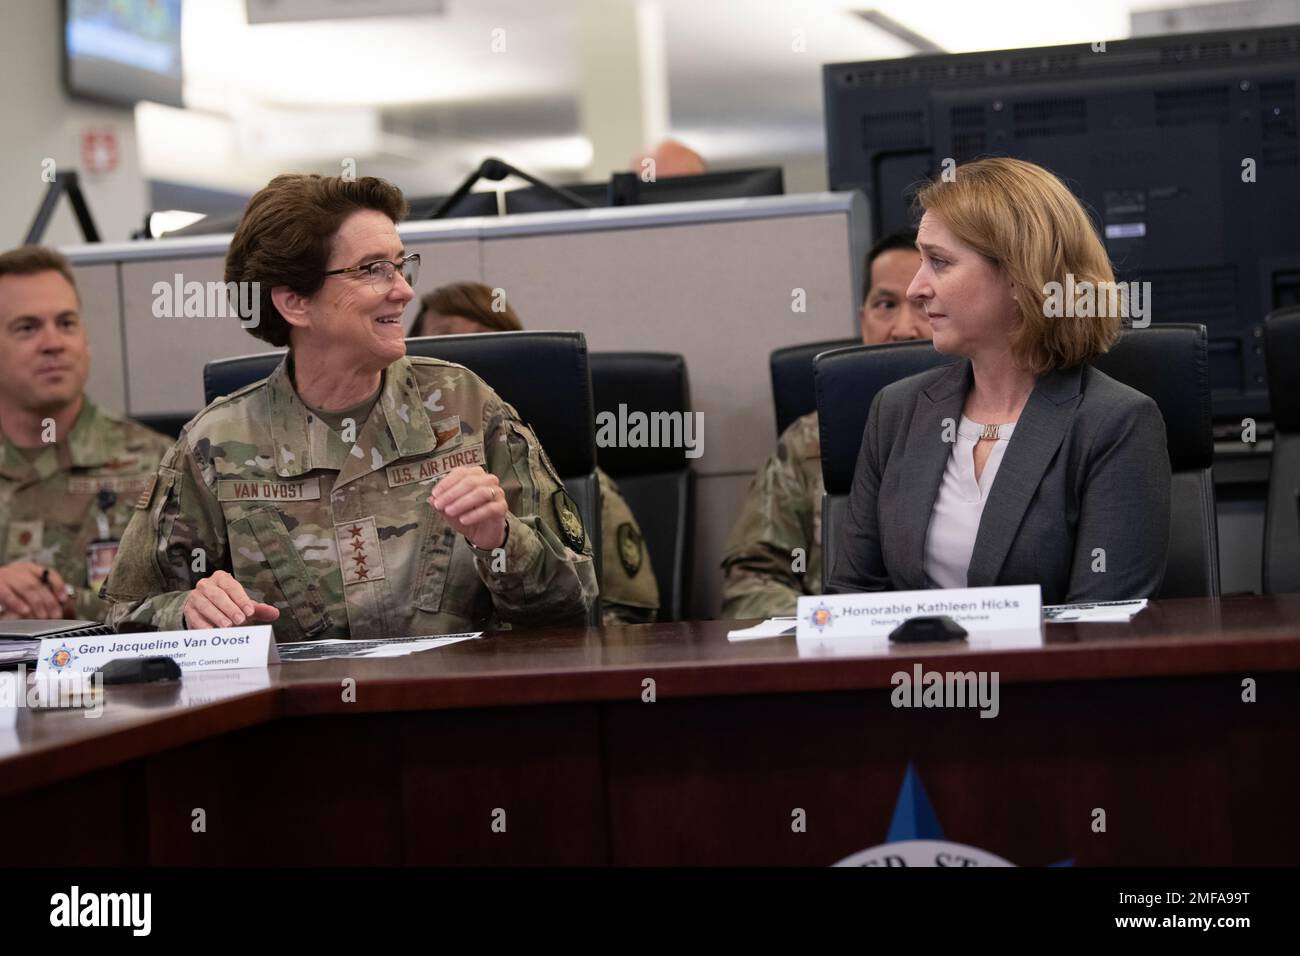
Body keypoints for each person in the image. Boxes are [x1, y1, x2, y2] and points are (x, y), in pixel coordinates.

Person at [105, 174, 597, 640]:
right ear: (295, 303)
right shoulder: (215, 446)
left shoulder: (465, 406)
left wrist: (500, 540)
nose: (404, 289)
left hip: (453, 711)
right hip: (300, 721)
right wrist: (188, 612)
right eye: (372, 270)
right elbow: (123, 617)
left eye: (401, 265)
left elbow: (575, 602)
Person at [826, 157, 1170, 603]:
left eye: (939, 262)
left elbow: (1102, 630)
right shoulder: (896, 410)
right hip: (912, 674)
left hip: (1043, 673)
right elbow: (851, 601)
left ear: (1018, 276)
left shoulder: (1115, 423)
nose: (915, 288)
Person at [410, 282, 660, 625]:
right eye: (444, 340)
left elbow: (628, 617)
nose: (461, 365)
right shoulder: (394, 483)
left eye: (483, 339)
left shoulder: (585, 487)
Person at [719, 232, 931, 618]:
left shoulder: (984, 428)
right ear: (862, 319)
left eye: (923, 305)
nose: (903, 329)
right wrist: (826, 633)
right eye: (885, 304)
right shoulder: (808, 442)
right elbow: (753, 580)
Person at [0, 245, 171, 622]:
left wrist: (68, 603)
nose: (53, 343)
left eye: (66, 323)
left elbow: (186, 609)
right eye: (27, 328)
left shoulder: (161, 464)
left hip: (113, 679)